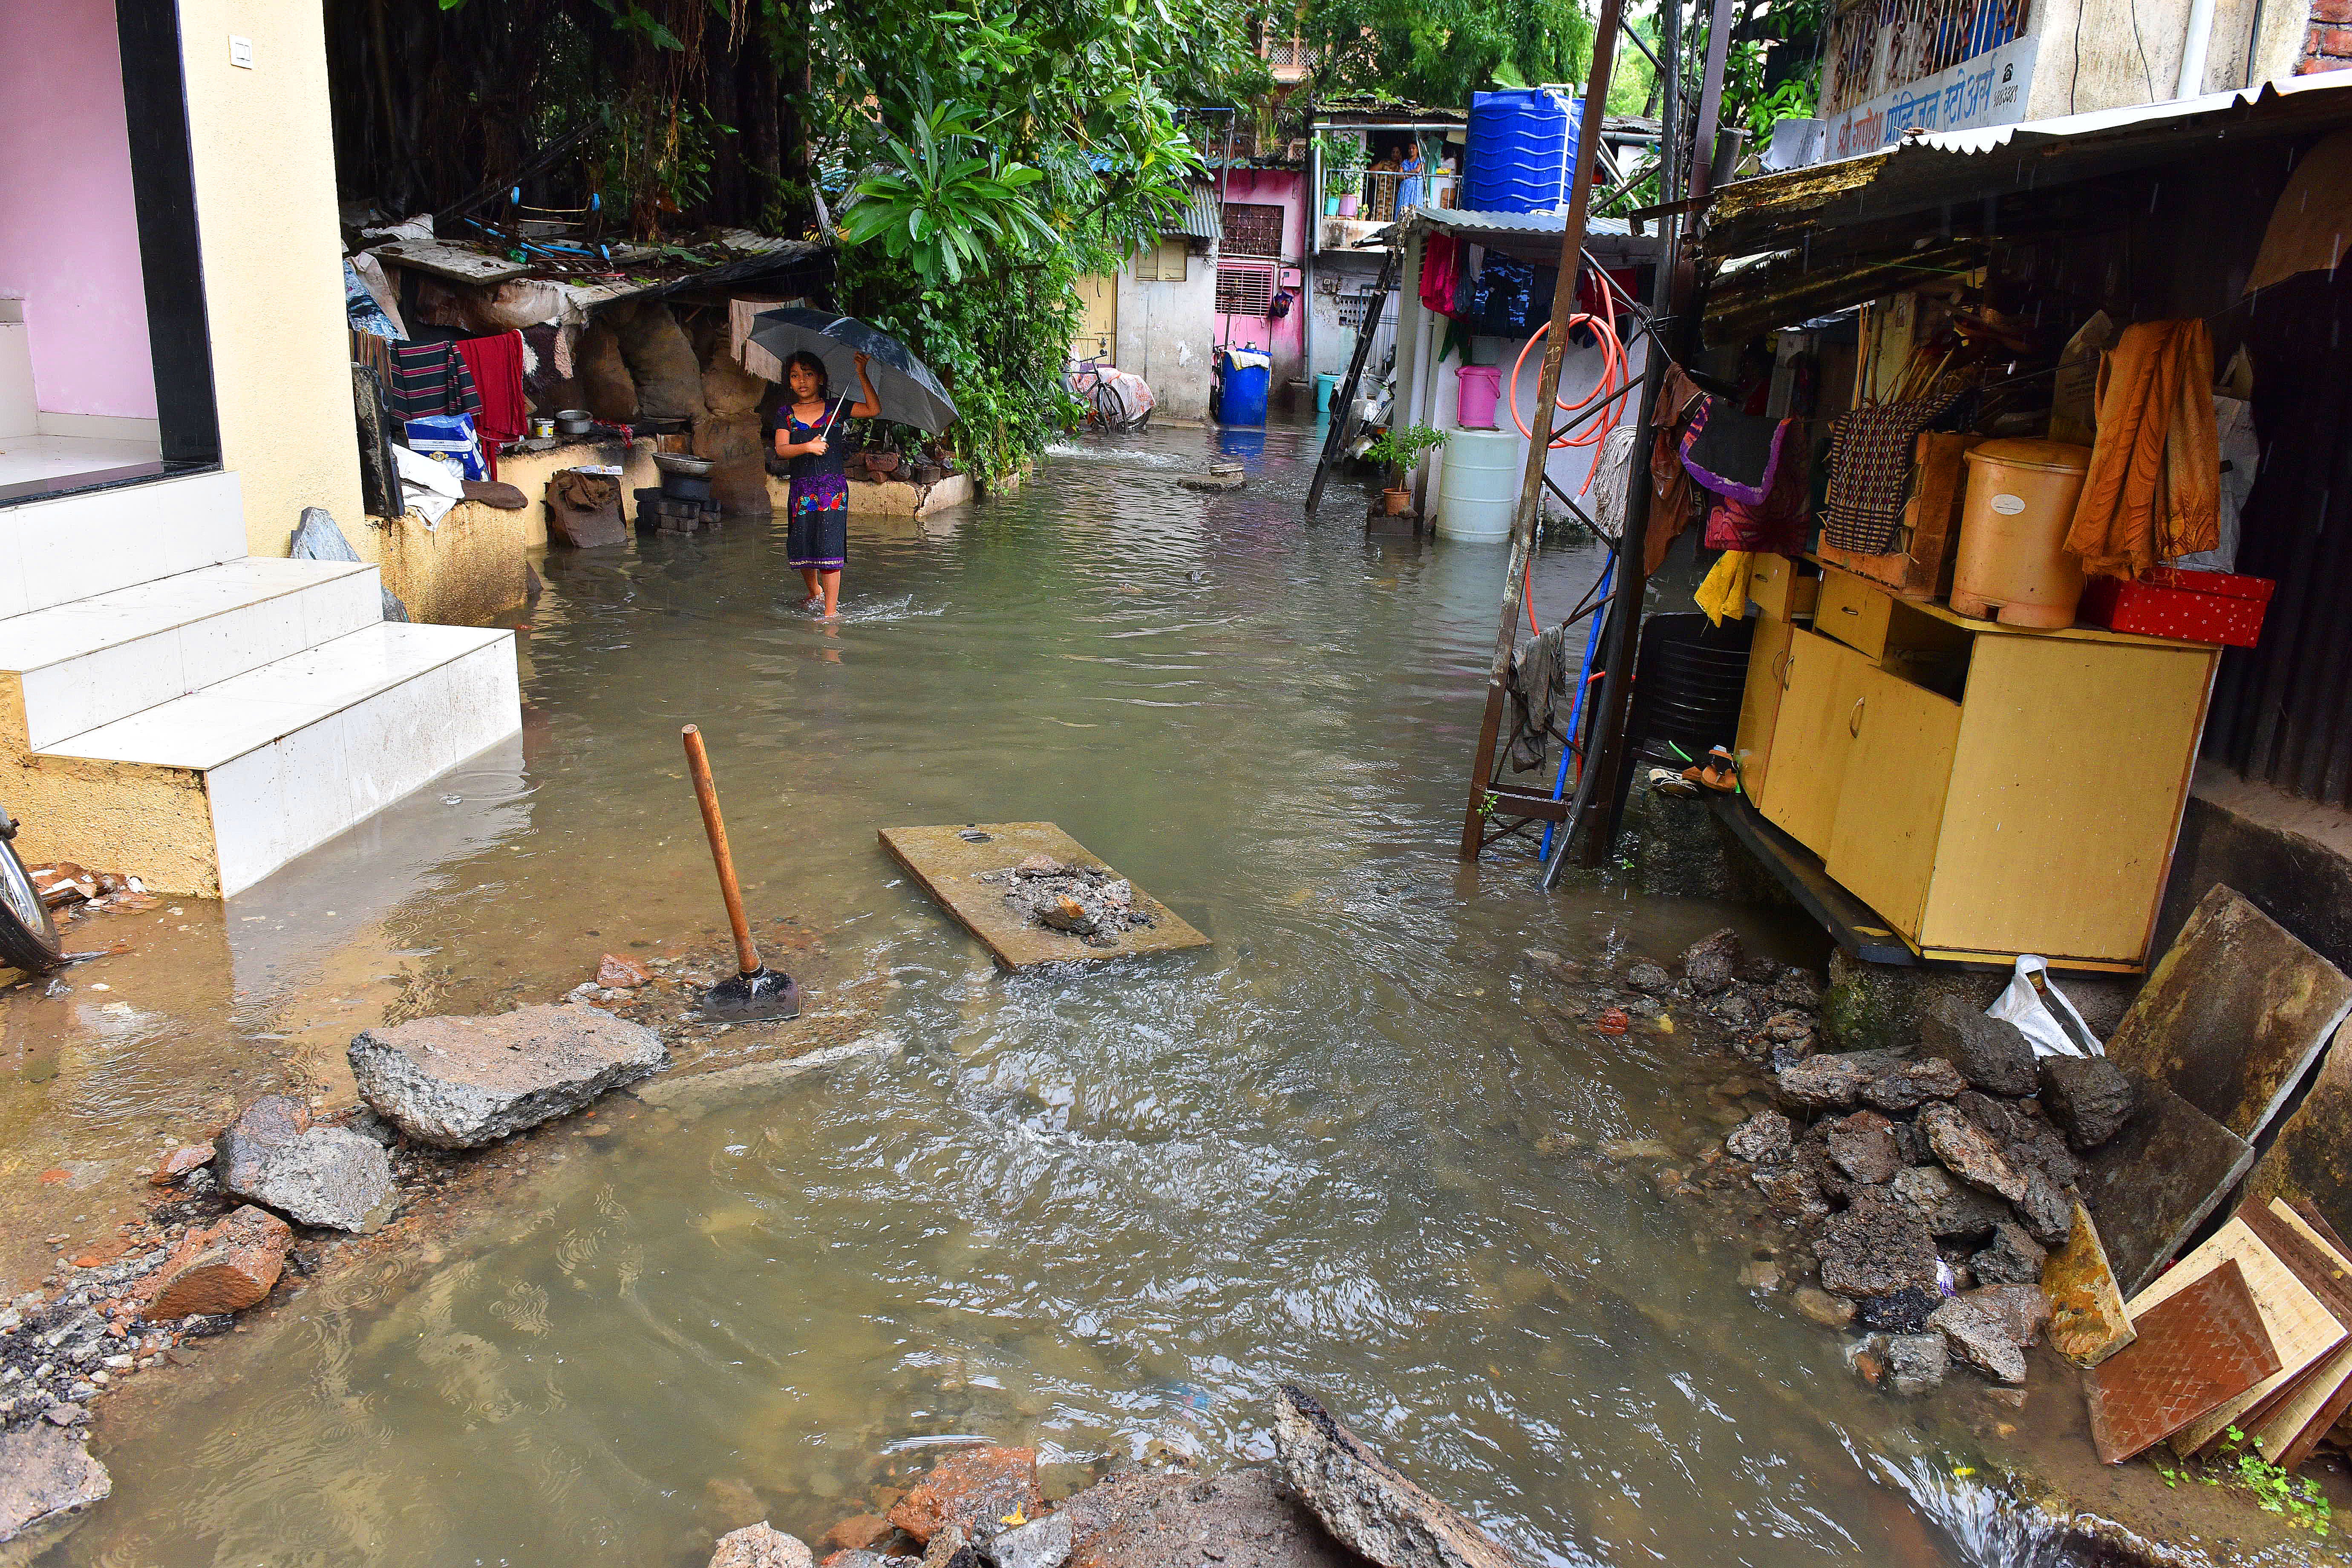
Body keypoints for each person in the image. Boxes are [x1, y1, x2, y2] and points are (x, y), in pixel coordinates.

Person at [773, 349, 880, 618]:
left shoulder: (836, 408)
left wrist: (861, 373)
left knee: (830, 547)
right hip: (801, 489)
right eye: (796, 376)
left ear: (821, 379)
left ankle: (830, 613)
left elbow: (873, 409)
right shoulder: (786, 414)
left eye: (808, 374)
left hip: (832, 490)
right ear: (789, 381)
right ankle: (814, 592)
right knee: (802, 543)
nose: (802, 381)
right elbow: (782, 450)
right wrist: (807, 446)